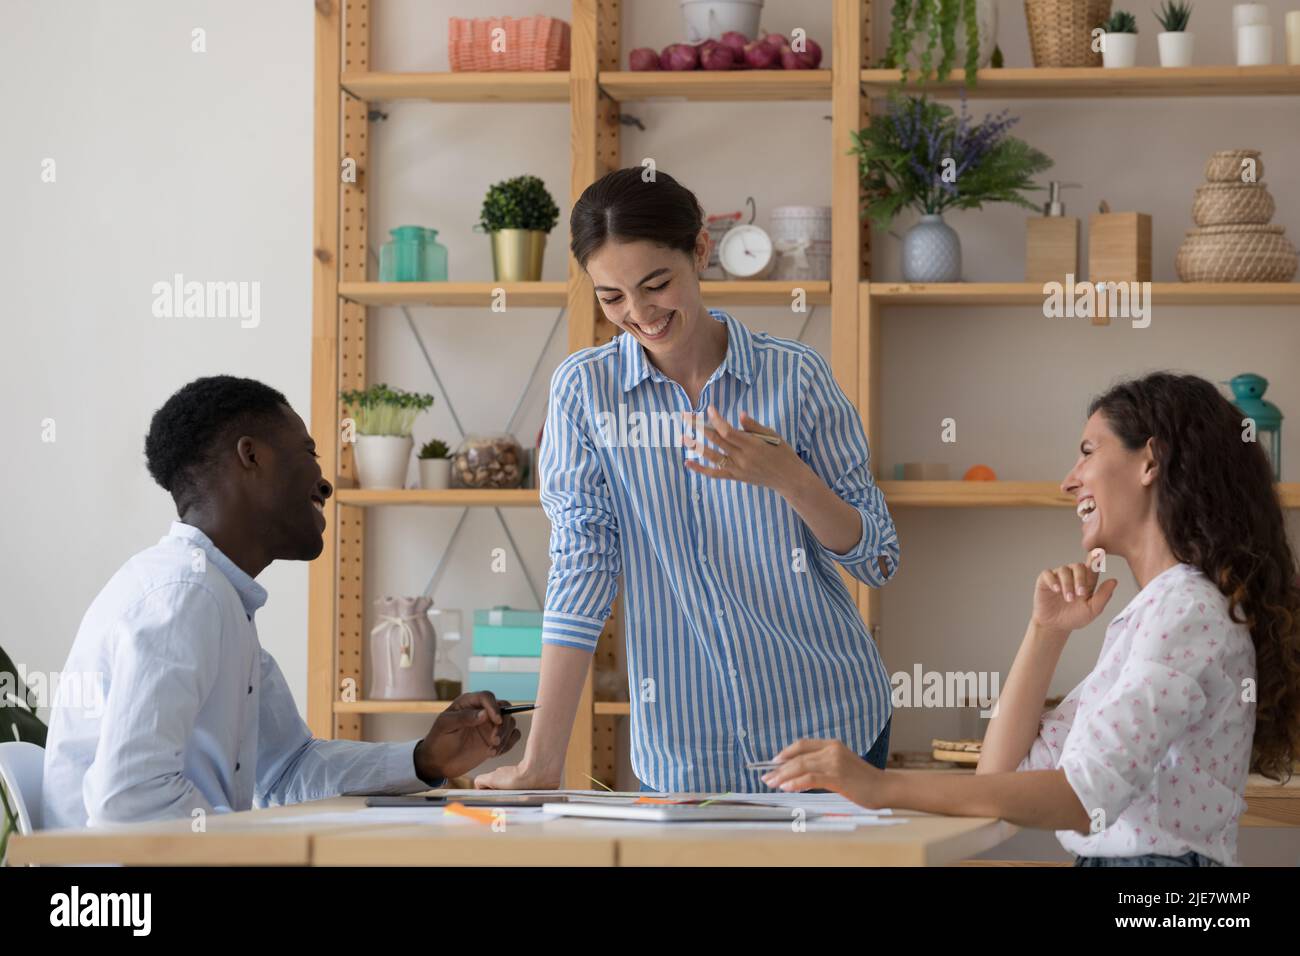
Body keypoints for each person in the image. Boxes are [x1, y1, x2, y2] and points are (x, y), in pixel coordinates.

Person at [765, 372, 1300, 866]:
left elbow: (1080, 796)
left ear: (1150, 460)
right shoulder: (1159, 611)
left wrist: (879, 786)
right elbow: (999, 775)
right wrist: (1046, 632)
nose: (1070, 481)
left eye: (1088, 452)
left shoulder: (1185, 610)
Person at [477, 167, 898, 793]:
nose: (640, 314)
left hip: (829, 726)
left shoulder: (796, 379)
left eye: (656, 284)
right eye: (611, 297)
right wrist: (543, 762)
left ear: (700, 251)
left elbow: (878, 558)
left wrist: (791, 479)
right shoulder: (584, 393)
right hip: (685, 746)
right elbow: (580, 574)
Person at [43, 376, 519, 828]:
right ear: (250, 455)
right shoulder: (185, 595)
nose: (326, 483)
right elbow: (128, 802)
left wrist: (424, 757)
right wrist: (265, 850)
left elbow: (287, 774)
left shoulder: (217, 598)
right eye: (309, 453)